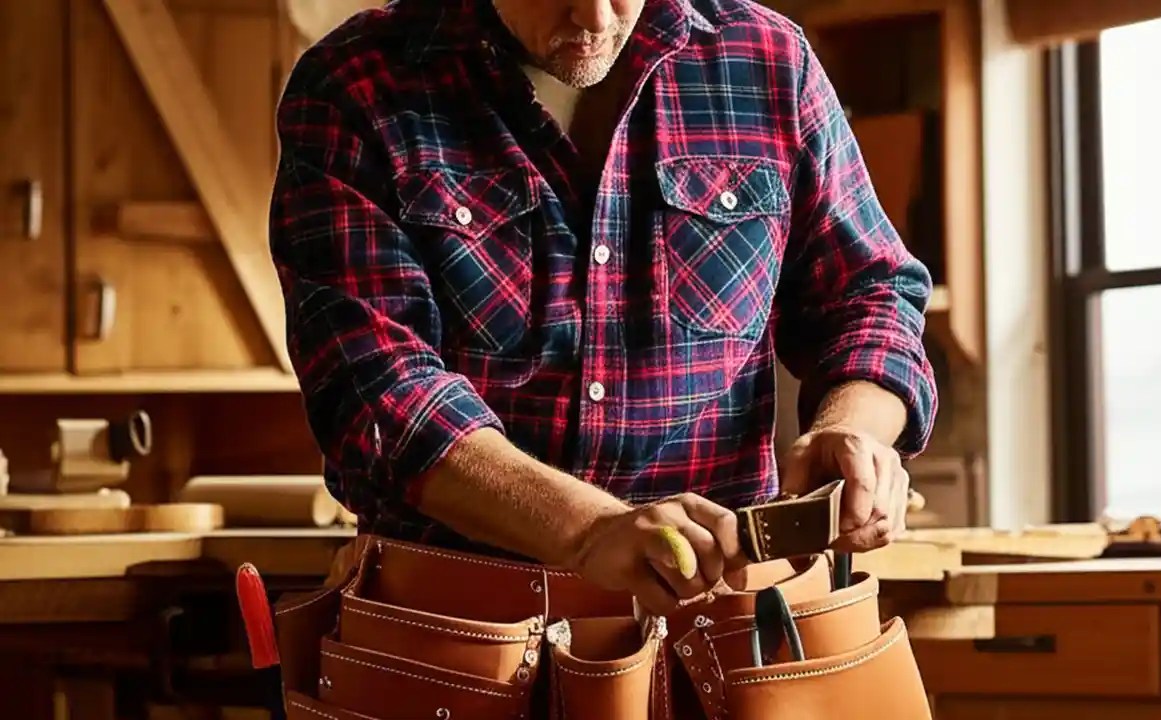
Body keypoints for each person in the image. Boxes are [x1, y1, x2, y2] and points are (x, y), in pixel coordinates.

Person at [268, 0, 937, 616]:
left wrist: (852, 431)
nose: (594, 15)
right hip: (458, 641)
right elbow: (378, 389)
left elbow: (868, 295)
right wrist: (587, 532)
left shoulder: (767, 62)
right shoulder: (356, 86)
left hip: (723, 632)